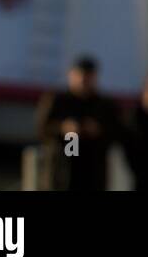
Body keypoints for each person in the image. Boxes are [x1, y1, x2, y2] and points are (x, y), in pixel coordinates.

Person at [35, 55, 121, 191]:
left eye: (88, 76)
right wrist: (64, 128)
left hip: (92, 173)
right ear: (71, 75)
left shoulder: (105, 105)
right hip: (63, 170)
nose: (83, 80)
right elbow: (42, 130)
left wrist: (97, 130)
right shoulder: (58, 100)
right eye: (79, 75)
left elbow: (117, 134)